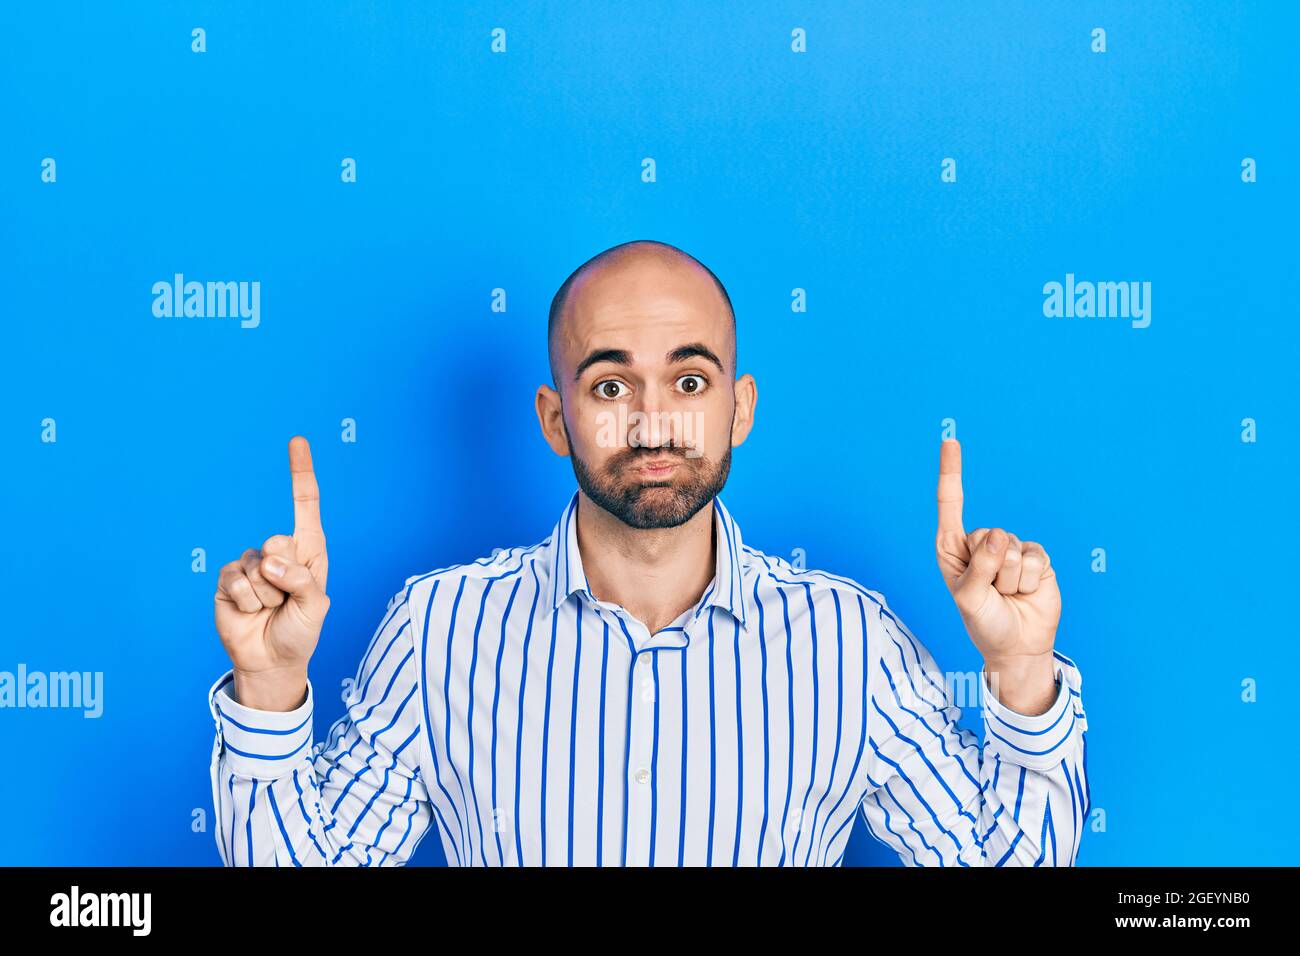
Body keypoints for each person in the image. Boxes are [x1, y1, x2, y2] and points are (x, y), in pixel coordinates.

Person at [207, 239, 1089, 867]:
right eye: (610, 383)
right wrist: (272, 691)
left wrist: (1020, 673)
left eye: (690, 380)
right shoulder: (439, 631)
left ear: (740, 409)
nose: (654, 420)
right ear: (557, 419)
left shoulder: (849, 645)